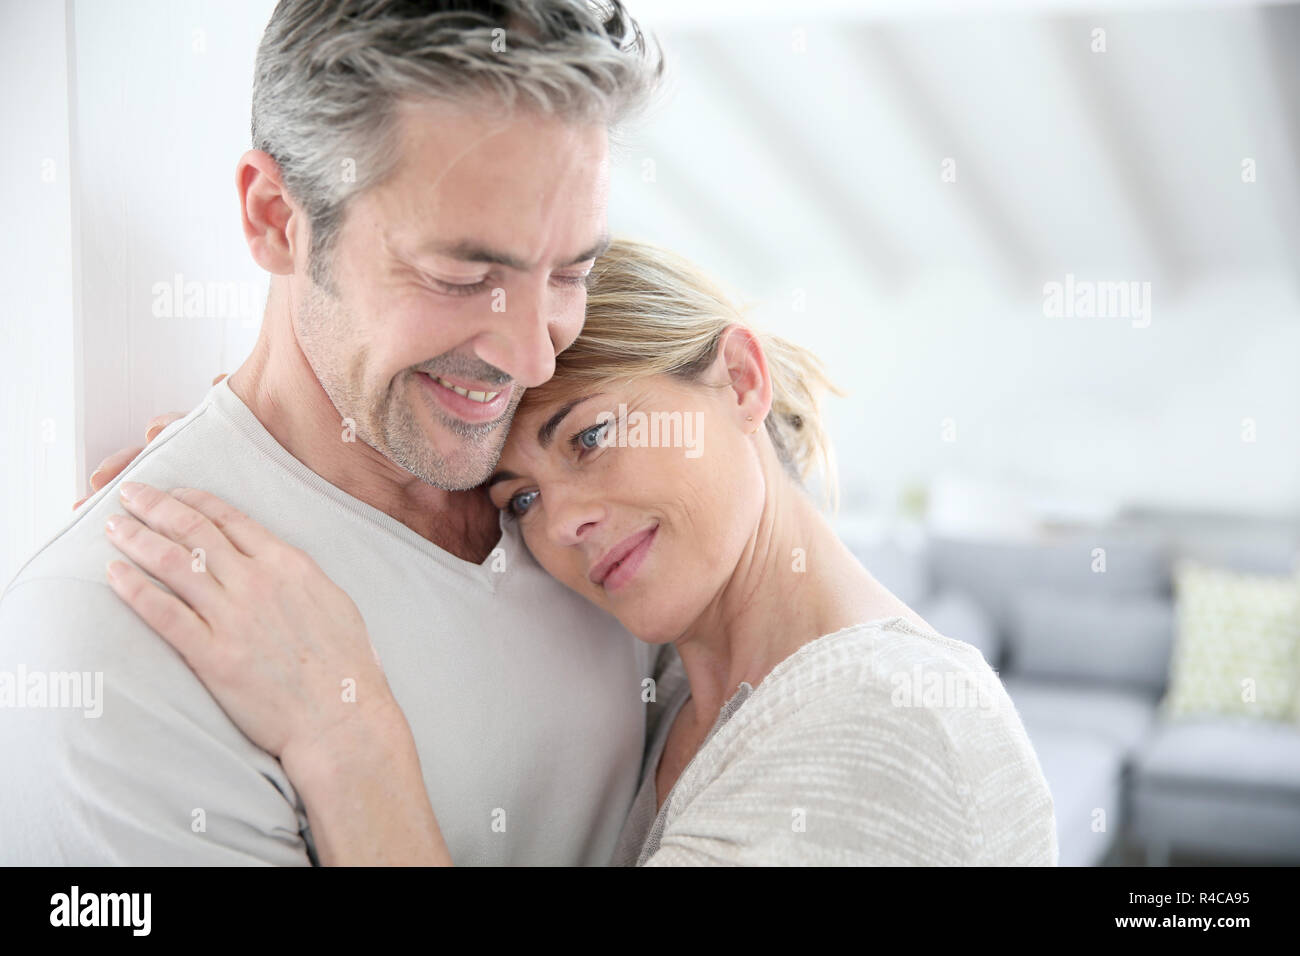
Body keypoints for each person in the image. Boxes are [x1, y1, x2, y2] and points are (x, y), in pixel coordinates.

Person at [100, 239, 1060, 865]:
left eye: (591, 438)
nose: (561, 529)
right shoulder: (690, 680)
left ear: (739, 377)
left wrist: (346, 742)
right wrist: (240, 473)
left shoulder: (883, 729)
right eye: (521, 500)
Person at [0, 0, 663, 865]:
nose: (535, 358)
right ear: (276, 216)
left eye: (573, 272)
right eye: (461, 276)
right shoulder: (115, 638)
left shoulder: (604, 472)